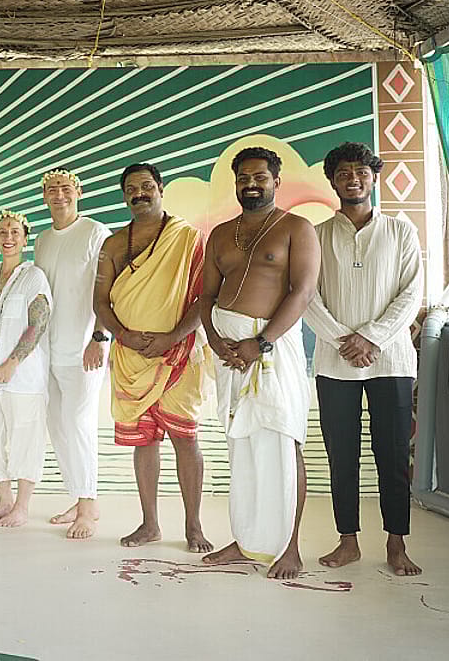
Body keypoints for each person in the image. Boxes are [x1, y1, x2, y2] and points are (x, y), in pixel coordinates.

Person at [200, 146, 320, 579]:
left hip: (271, 349)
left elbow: (302, 292)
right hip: (229, 354)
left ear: (275, 181)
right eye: (243, 179)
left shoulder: (296, 228)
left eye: (259, 177)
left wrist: (262, 342)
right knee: (242, 448)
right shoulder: (220, 234)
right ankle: (246, 539)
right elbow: (206, 296)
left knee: (283, 443)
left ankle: (289, 546)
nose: (251, 185)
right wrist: (214, 338)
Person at [305, 142, 423, 575]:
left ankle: (396, 543)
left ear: (374, 177)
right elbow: (306, 297)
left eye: (361, 172)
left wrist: (371, 338)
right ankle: (348, 540)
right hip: (335, 364)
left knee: (392, 453)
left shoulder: (400, 231)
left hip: (390, 362)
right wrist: (344, 341)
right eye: (343, 173)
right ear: (333, 181)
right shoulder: (315, 235)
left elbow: (411, 294)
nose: (353, 179)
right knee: (342, 455)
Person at [93, 163, 211, 552]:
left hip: (177, 354)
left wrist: (173, 337)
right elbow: (100, 300)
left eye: (147, 186)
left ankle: (194, 526)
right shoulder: (112, 244)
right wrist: (122, 335)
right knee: (145, 442)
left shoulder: (188, 238)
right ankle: (150, 524)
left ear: (161, 189)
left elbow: (204, 297)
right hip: (130, 356)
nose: (139, 193)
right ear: (124, 194)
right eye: (131, 188)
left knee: (184, 437)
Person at [33, 169, 111, 540]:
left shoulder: (95, 233)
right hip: (47, 348)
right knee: (58, 426)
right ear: (45, 196)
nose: (59, 195)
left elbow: (108, 289)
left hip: (84, 346)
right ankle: (79, 496)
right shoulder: (43, 239)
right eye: (52, 190)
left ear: (78, 191)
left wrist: (100, 336)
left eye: (65, 188)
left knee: (78, 424)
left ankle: (88, 504)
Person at [0, 210, 53, 529]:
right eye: (3, 232)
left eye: (14, 232)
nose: (8, 237)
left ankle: (22, 506)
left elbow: (38, 324)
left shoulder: (34, 277)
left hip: (21, 376)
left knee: (25, 437)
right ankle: (3, 500)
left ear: (24, 238)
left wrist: (11, 363)